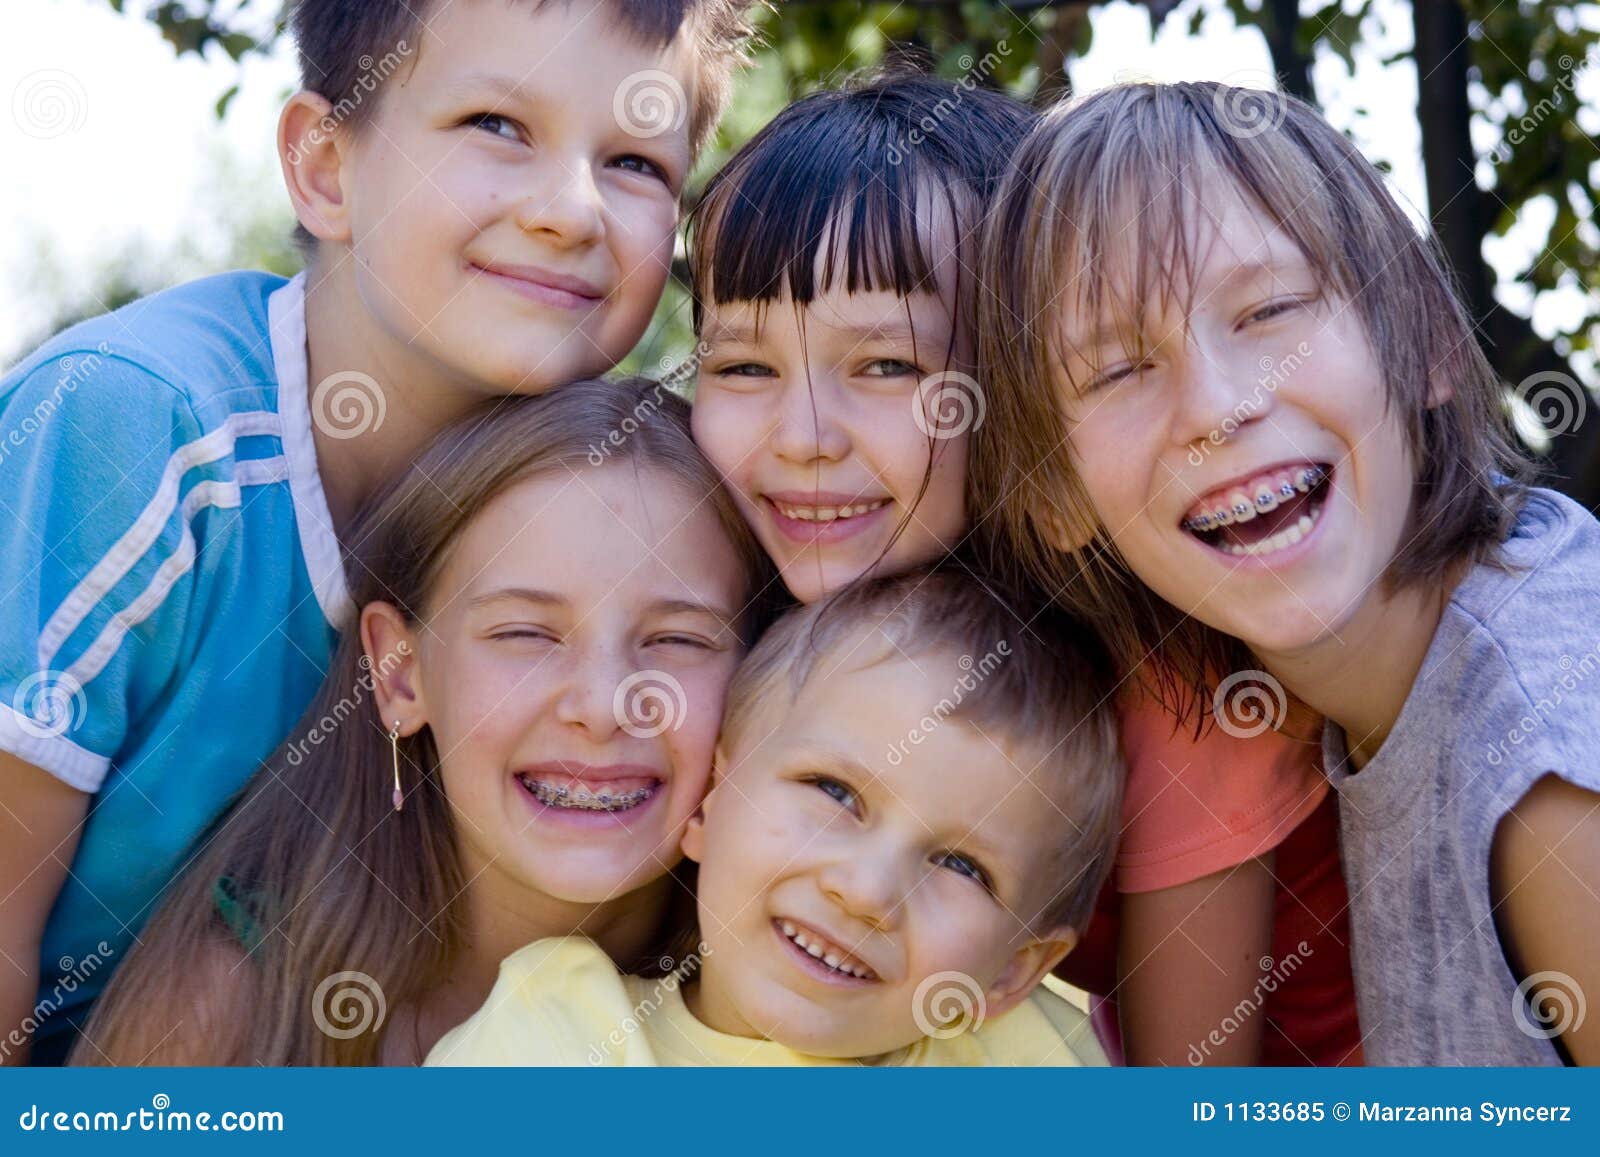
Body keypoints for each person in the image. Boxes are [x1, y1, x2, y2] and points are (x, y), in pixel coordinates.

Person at [0, 0, 755, 1063]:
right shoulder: (138, 434)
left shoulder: (619, 501)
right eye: (496, 124)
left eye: (634, 161)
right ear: (324, 164)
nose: (570, 210)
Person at [687, 73, 1360, 1065]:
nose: (803, 437)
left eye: (889, 366)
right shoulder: (766, 609)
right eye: (744, 366)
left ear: (1027, 375)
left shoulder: (1171, 671)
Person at [975, 79, 1600, 1064]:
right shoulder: (1367, 704)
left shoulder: (1548, 772)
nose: (1217, 405)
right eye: (1117, 369)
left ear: (1427, 339)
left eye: (1268, 310)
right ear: (1056, 497)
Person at [73, 379, 772, 1065]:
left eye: (680, 640)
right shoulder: (226, 1012)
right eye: (526, 634)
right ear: (400, 673)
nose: (601, 705)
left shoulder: (809, 1006)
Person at [427, 569, 1117, 1066]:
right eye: (835, 793)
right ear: (712, 798)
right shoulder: (557, 1038)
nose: (868, 891)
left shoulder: (1027, 1064)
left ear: (1015, 971)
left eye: (962, 866)